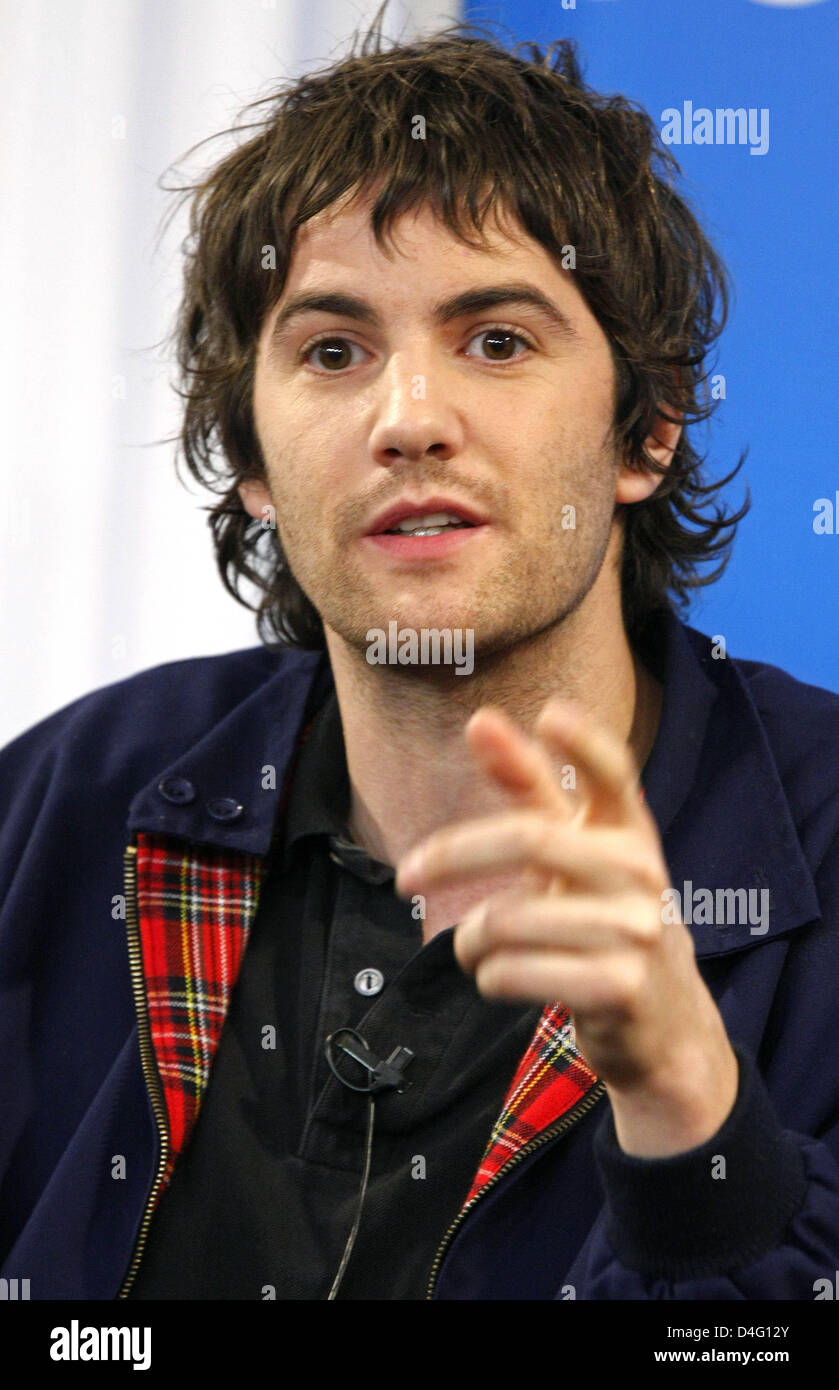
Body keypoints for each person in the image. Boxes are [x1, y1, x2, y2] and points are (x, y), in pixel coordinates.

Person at [1, 15, 838, 1303]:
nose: (409, 420)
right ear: (255, 464)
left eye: (496, 339)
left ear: (648, 431)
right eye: (334, 350)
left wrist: (690, 1119)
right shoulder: (55, 808)